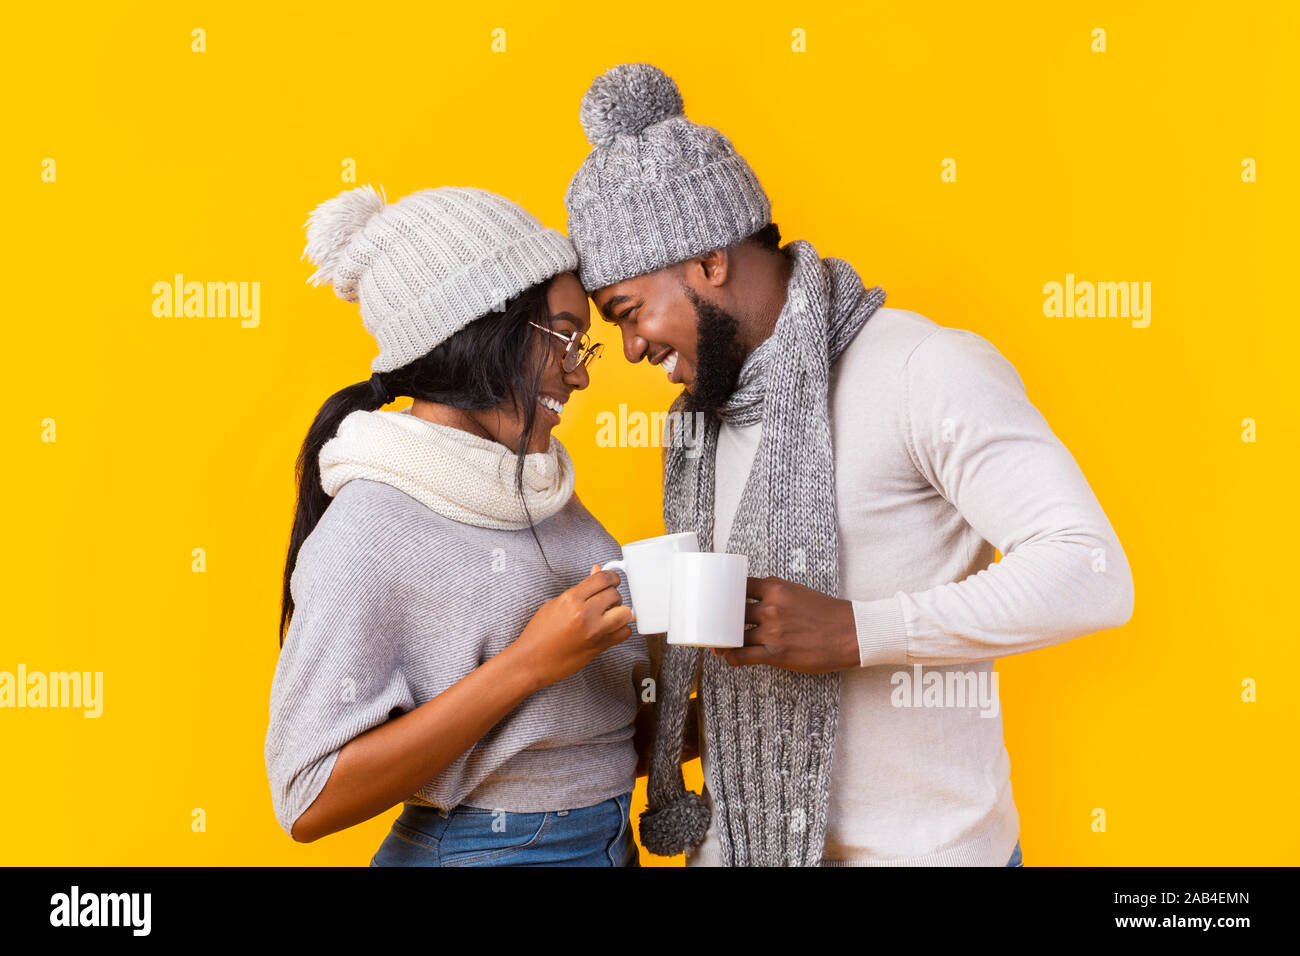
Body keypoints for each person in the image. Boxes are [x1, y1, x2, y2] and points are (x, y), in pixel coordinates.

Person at [562, 63, 1135, 866]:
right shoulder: (700, 422)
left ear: (708, 262)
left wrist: (857, 630)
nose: (629, 349)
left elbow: (1092, 572)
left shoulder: (921, 368)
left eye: (630, 311)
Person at [265, 184, 649, 866]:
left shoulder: (536, 487)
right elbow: (308, 795)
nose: (579, 376)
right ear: (476, 330)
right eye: (562, 339)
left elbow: (574, 735)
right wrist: (526, 664)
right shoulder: (372, 524)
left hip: (609, 838)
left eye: (582, 346)